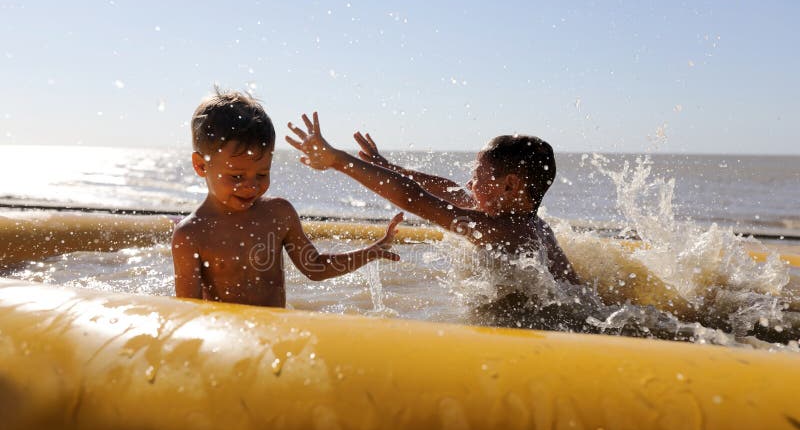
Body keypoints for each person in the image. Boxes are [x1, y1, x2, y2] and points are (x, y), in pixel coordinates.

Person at [285, 112, 579, 286]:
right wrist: (389, 167)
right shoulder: (521, 219)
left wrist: (338, 160)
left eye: (477, 177)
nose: (469, 184)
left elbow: (413, 198)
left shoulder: (504, 230)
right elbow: (449, 190)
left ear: (509, 185)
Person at [172, 90, 404, 307]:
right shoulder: (191, 234)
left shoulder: (278, 214)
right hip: (226, 334)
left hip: (275, 332)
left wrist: (372, 251)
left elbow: (315, 267)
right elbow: (189, 310)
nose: (251, 186)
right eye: (237, 176)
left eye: (262, 174)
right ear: (201, 166)